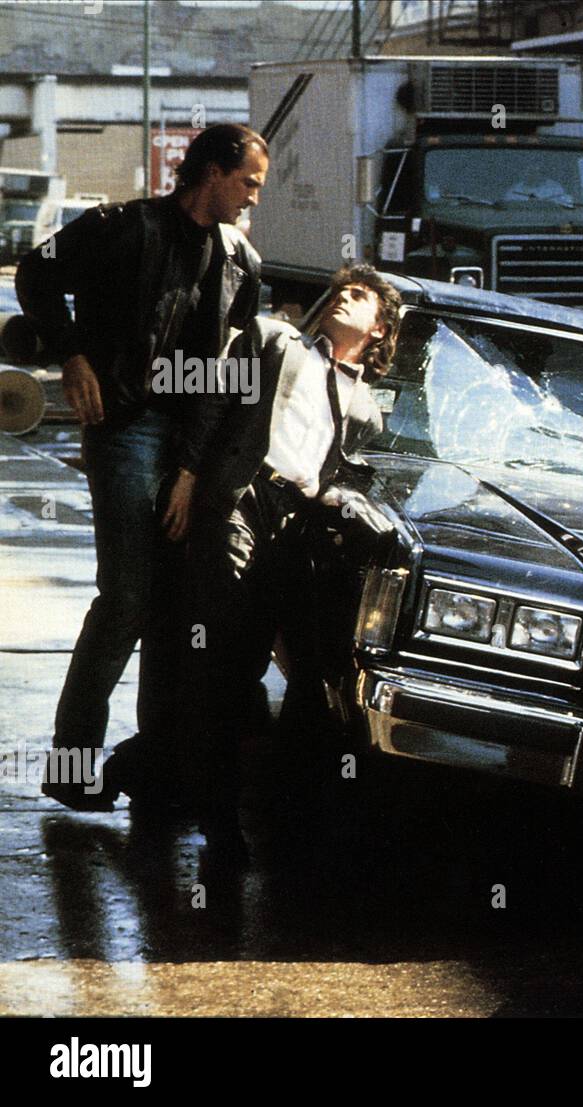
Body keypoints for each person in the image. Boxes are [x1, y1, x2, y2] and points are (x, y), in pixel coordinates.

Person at [17, 123, 267, 811]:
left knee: (170, 606)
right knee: (126, 595)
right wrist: (71, 353)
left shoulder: (241, 261)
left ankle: (155, 767)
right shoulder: (121, 227)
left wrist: (191, 470)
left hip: (189, 443)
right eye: (248, 182)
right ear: (212, 172)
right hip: (124, 427)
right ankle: (70, 765)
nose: (252, 198)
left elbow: (228, 376)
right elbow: (37, 273)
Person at [184, 264, 402, 859]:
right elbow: (212, 404)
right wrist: (187, 475)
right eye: (340, 289)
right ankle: (217, 818)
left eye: (359, 296)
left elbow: (357, 479)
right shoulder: (275, 341)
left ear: (380, 328)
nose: (343, 297)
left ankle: (275, 808)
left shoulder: (366, 411)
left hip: (297, 524)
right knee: (228, 650)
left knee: (290, 671)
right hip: (245, 498)